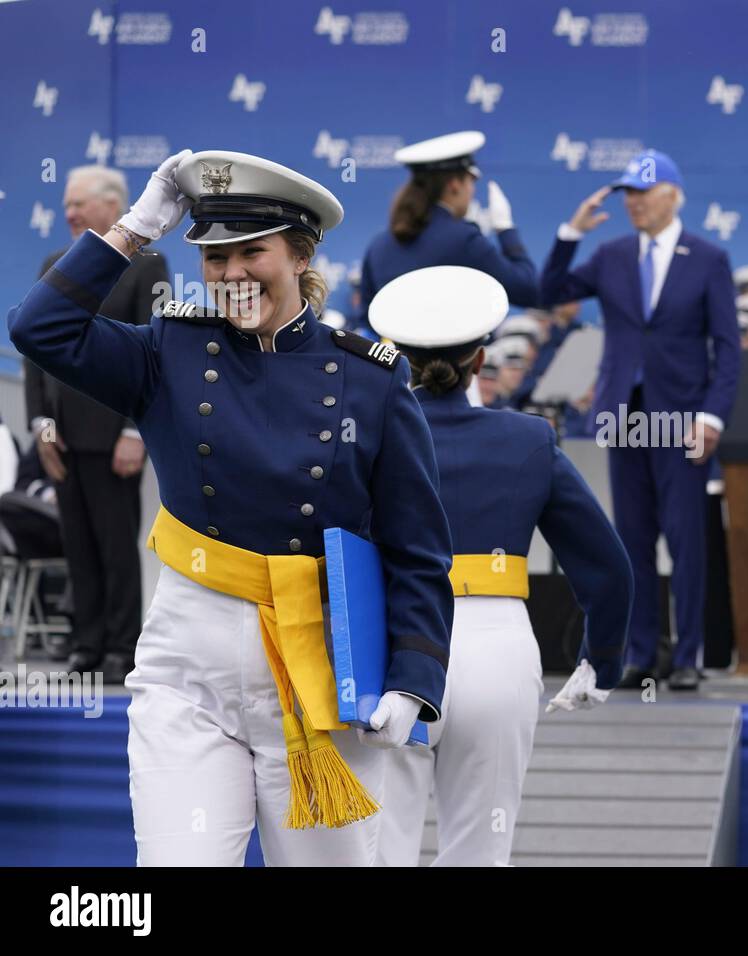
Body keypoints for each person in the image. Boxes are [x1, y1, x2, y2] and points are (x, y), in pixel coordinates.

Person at [7, 150, 455, 866]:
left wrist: (413, 677)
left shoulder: (372, 380)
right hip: (188, 668)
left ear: (301, 254)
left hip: (318, 672)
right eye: (215, 257)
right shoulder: (171, 350)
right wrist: (132, 231)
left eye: (253, 252)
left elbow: (417, 545)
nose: (231, 275)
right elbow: (40, 329)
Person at [367, 265, 631, 866]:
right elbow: (609, 566)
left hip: (395, 648)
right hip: (497, 652)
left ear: (397, 361)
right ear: (481, 359)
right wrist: (604, 659)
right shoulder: (528, 440)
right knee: (480, 852)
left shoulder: (366, 435)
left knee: (379, 851)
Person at [540, 149, 740, 690]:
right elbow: (550, 291)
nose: (634, 203)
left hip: (682, 421)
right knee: (631, 539)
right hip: (626, 418)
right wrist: (569, 232)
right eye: (628, 193)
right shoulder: (611, 255)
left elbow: (727, 348)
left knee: (685, 539)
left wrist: (712, 418)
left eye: (643, 193)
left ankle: (690, 654)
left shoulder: (708, 258)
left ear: (673, 195)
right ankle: (643, 652)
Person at [25, 164, 169, 683]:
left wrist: (136, 432)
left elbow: (156, 351)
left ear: (113, 206)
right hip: (60, 441)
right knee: (78, 547)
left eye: (78, 203)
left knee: (114, 546)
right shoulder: (53, 263)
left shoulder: (147, 265)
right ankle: (86, 647)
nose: (69, 213)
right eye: (65, 204)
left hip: (113, 441)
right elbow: (35, 357)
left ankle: (120, 648)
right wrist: (42, 429)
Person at [357, 130, 539, 325]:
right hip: (449, 356)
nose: (472, 190)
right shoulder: (463, 239)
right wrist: (506, 230)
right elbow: (528, 290)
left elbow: (367, 320)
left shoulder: (378, 246)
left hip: (395, 354)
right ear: (454, 185)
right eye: (471, 181)